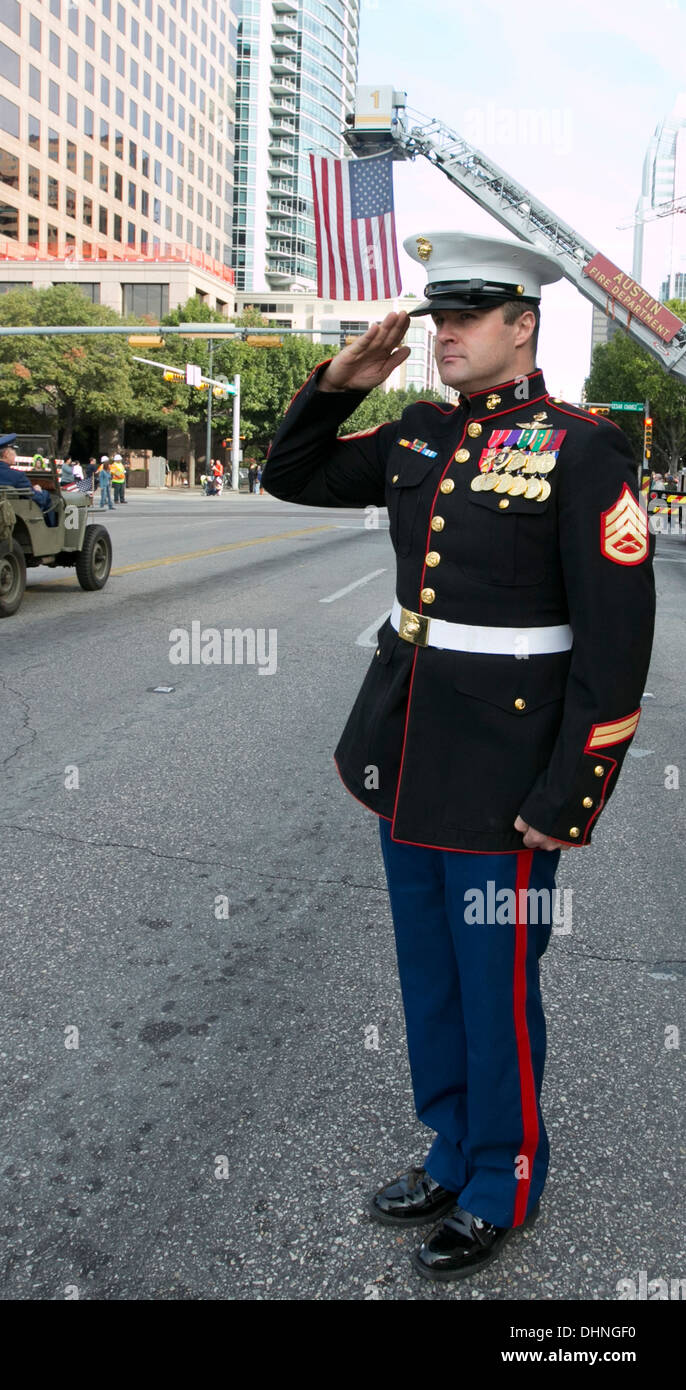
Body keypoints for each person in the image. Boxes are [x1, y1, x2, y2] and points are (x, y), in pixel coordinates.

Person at [262, 231, 655, 1281]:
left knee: (495, 982)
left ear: (521, 324)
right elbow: (288, 475)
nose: (443, 333)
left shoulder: (581, 449)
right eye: (437, 316)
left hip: (508, 770)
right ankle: (446, 1146)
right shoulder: (418, 432)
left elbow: (614, 647)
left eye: (466, 316)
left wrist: (569, 793)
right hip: (409, 747)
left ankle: (500, 1180)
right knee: (430, 975)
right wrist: (335, 386)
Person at [0, 433, 57, 526]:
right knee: (47, 498)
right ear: (6, 454)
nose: (15, 454)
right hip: (11, 521)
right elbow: (39, 500)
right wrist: (40, 492)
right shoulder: (17, 476)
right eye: (14, 451)